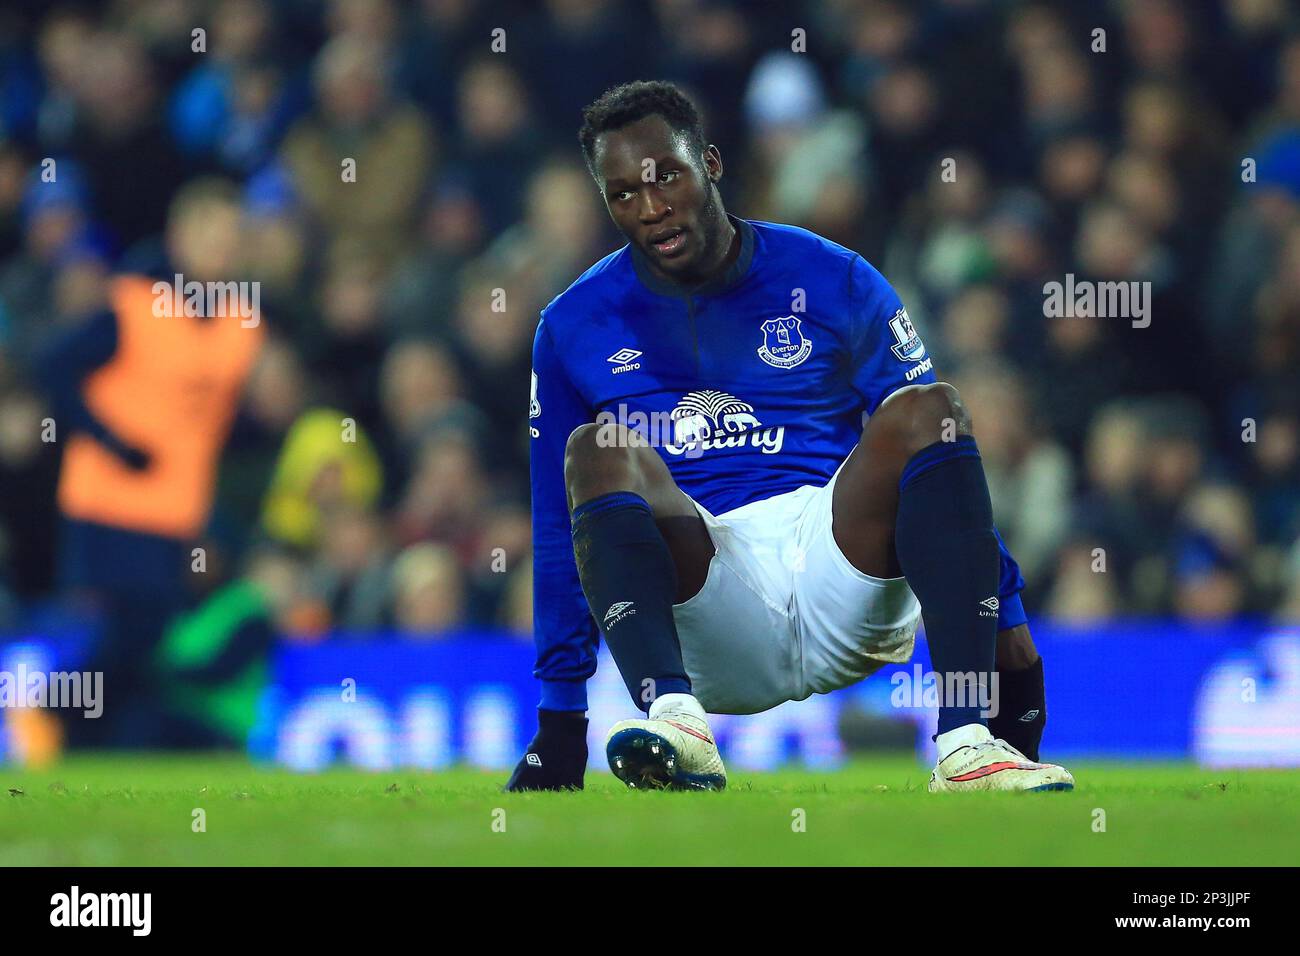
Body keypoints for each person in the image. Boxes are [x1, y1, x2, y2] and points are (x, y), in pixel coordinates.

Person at [507, 82, 1071, 793]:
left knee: (930, 409)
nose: (649, 210)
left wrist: (1011, 637)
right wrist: (561, 721)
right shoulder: (571, 326)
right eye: (622, 195)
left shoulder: (833, 277)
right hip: (703, 606)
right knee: (595, 450)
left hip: (841, 568)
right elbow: (559, 528)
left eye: (665, 178)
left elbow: (946, 477)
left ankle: (965, 743)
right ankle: (677, 724)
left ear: (709, 162)